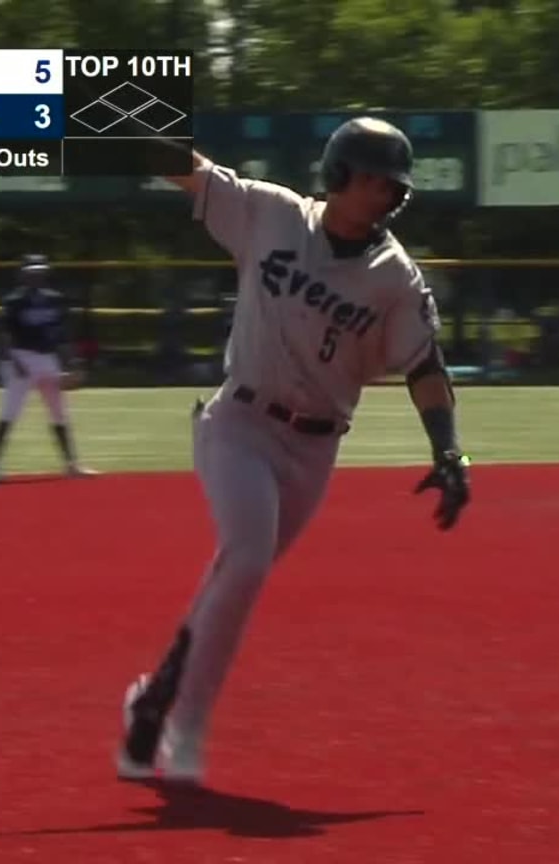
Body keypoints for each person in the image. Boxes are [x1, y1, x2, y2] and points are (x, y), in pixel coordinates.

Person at [114, 118, 472, 785]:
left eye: (394, 184)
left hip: (314, 451)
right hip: (240, 424)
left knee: (235, 580)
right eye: (372, 179)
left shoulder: (395, 277)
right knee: (246, 557)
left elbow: (424, 365)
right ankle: (185, 727)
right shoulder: (271, 215)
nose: (386, 193)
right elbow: (193, 169)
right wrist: (99, 118)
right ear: (338, 175)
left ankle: (156, 695)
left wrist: (448, 452)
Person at [0, 254, 95, 482]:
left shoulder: (55, 299)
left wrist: (72, 361)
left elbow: (63, 335)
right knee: (9, 413)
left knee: (60, 413)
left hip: (48, 359)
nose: (36, 276)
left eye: (40, 272)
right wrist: (14, 362)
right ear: (23, 274)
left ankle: (71, 465)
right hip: (20, 357)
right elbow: (2, 333)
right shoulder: (13, 301)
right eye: (32, 272)